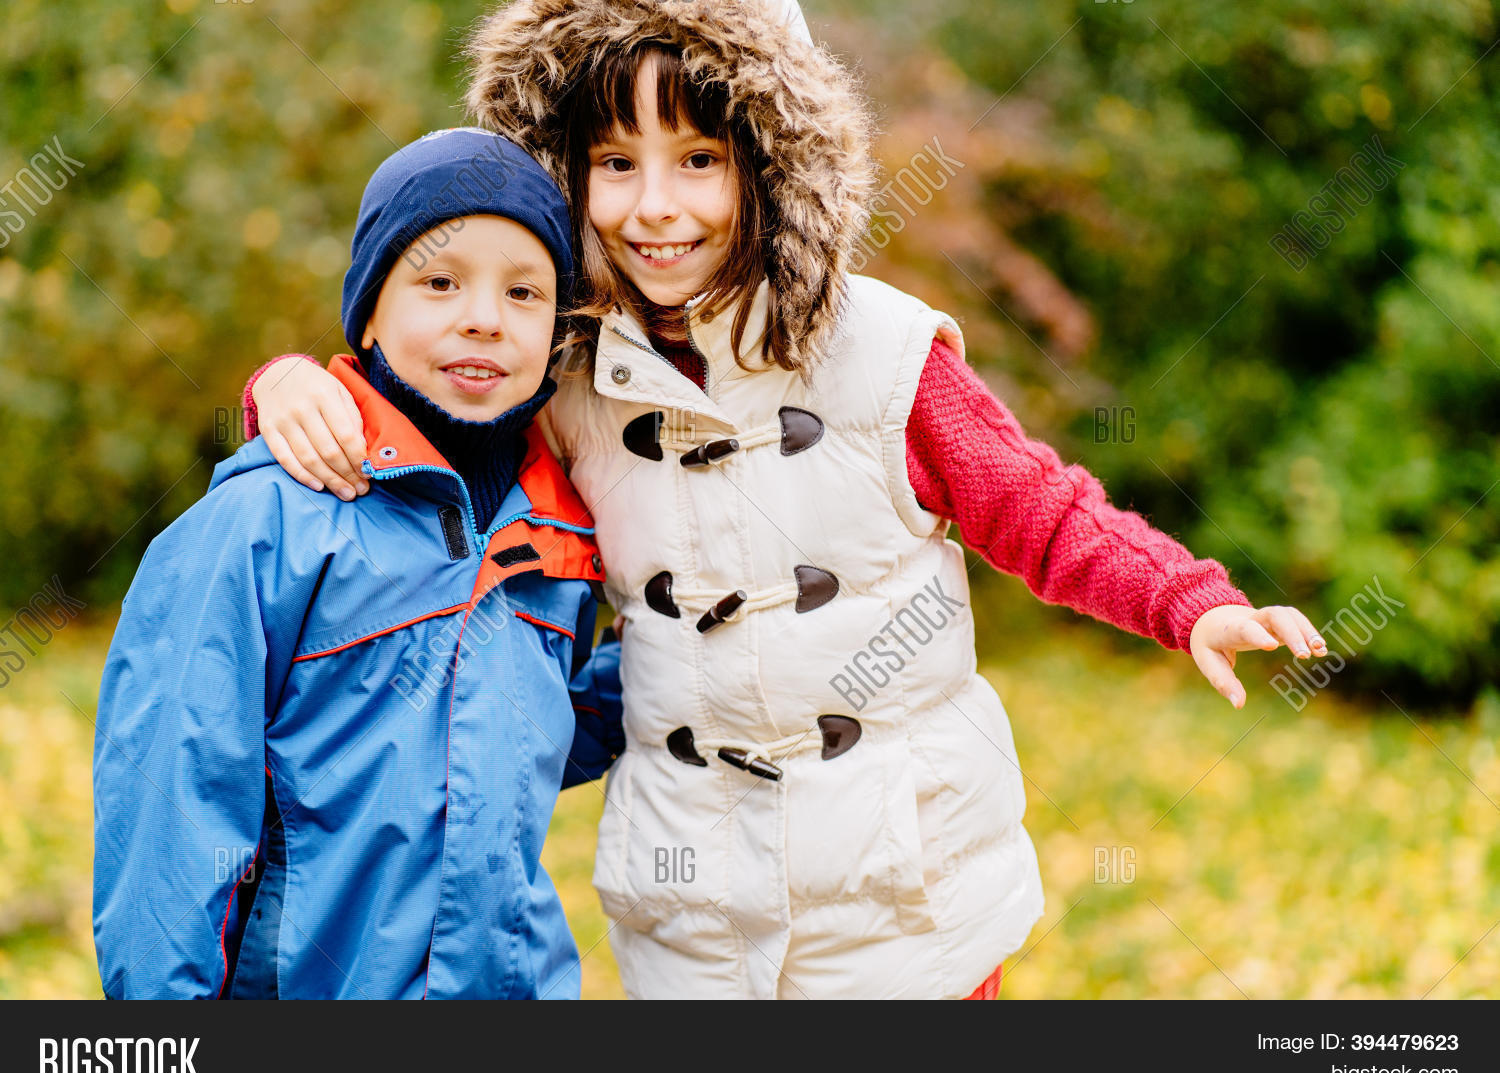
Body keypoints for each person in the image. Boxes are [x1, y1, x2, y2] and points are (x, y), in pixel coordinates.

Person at [237, 0, 1328, 999]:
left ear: (772, 163)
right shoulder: (567, 376)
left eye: (699, 158)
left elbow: (1039, 508)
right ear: (565, 176)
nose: (655, 207)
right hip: (696, 909)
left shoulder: (882, 357)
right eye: (615, 162)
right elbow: (421, 435)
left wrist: (1188, 599)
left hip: (907, 907)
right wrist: (288, 386)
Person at [92, 127, 623, 1000]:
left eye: (524, 292)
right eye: (440, 281)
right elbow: (170, 819)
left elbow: (523, 743)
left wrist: (668, 675)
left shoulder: (564, 540)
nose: (485, 316)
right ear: (371, 308)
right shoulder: (266, 524)